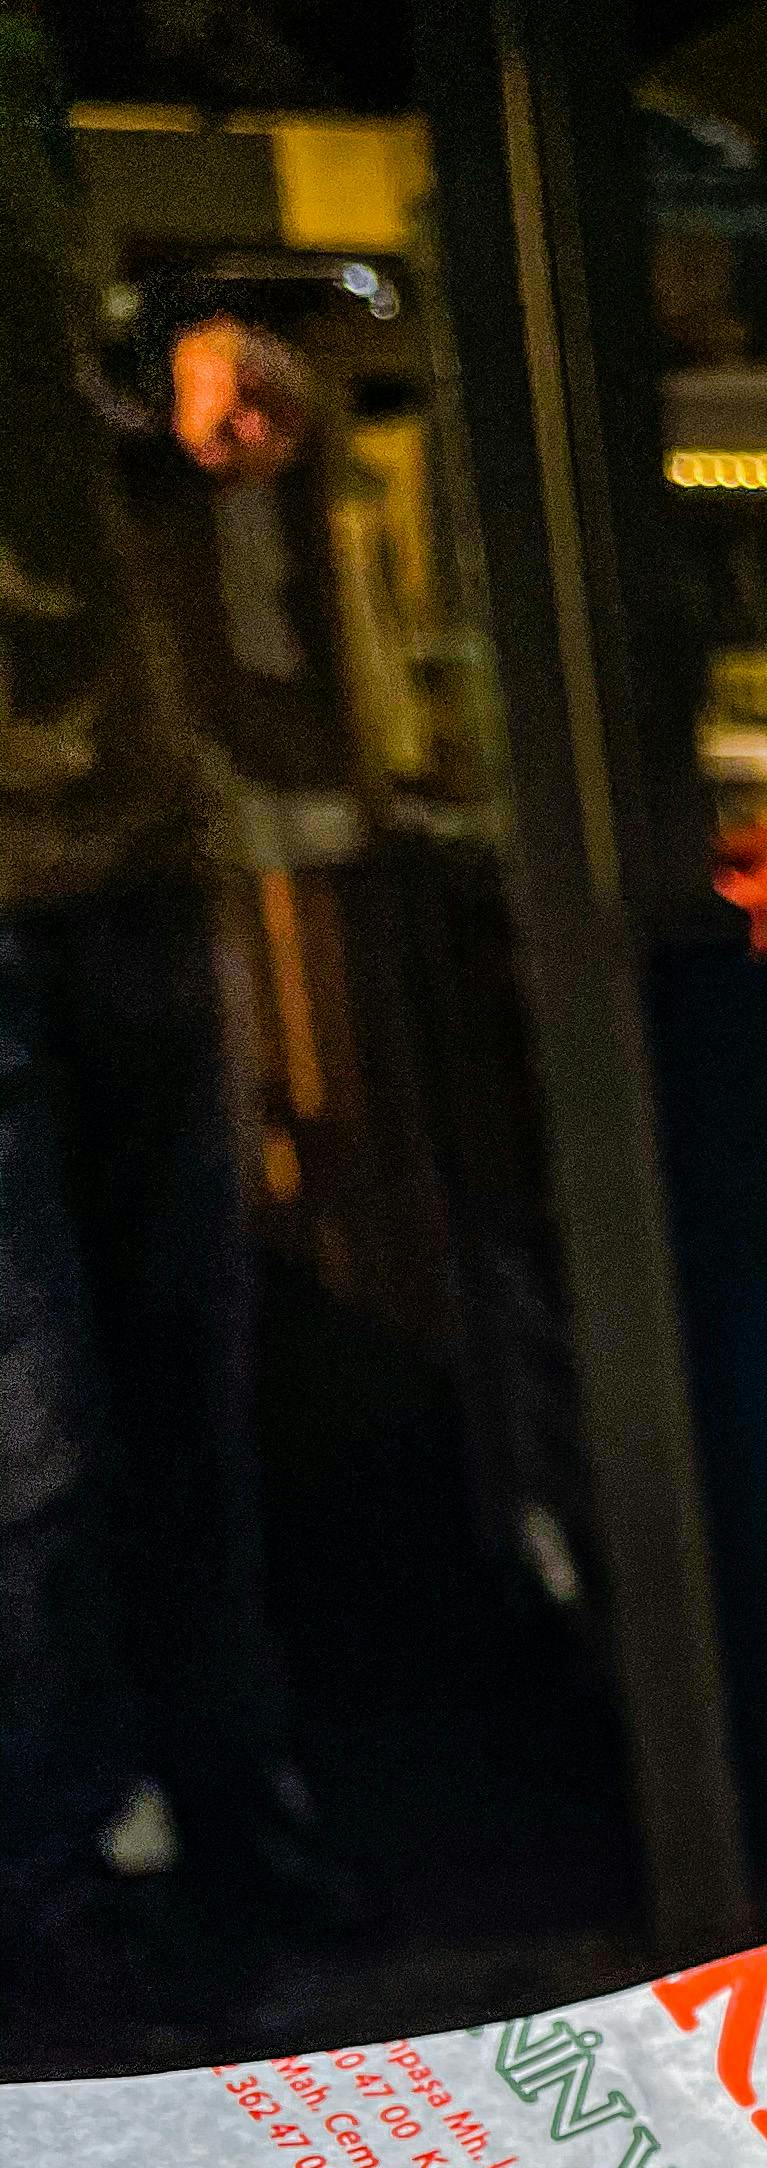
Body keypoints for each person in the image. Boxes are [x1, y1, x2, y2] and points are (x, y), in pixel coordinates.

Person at [1, 30, 369, 2055]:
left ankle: (235, 1821)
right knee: (30, 1443)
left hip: (131, 832)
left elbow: (91, 355)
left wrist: (195, 351)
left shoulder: (29, 87)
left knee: (187, 1386)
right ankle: (58, 1897)